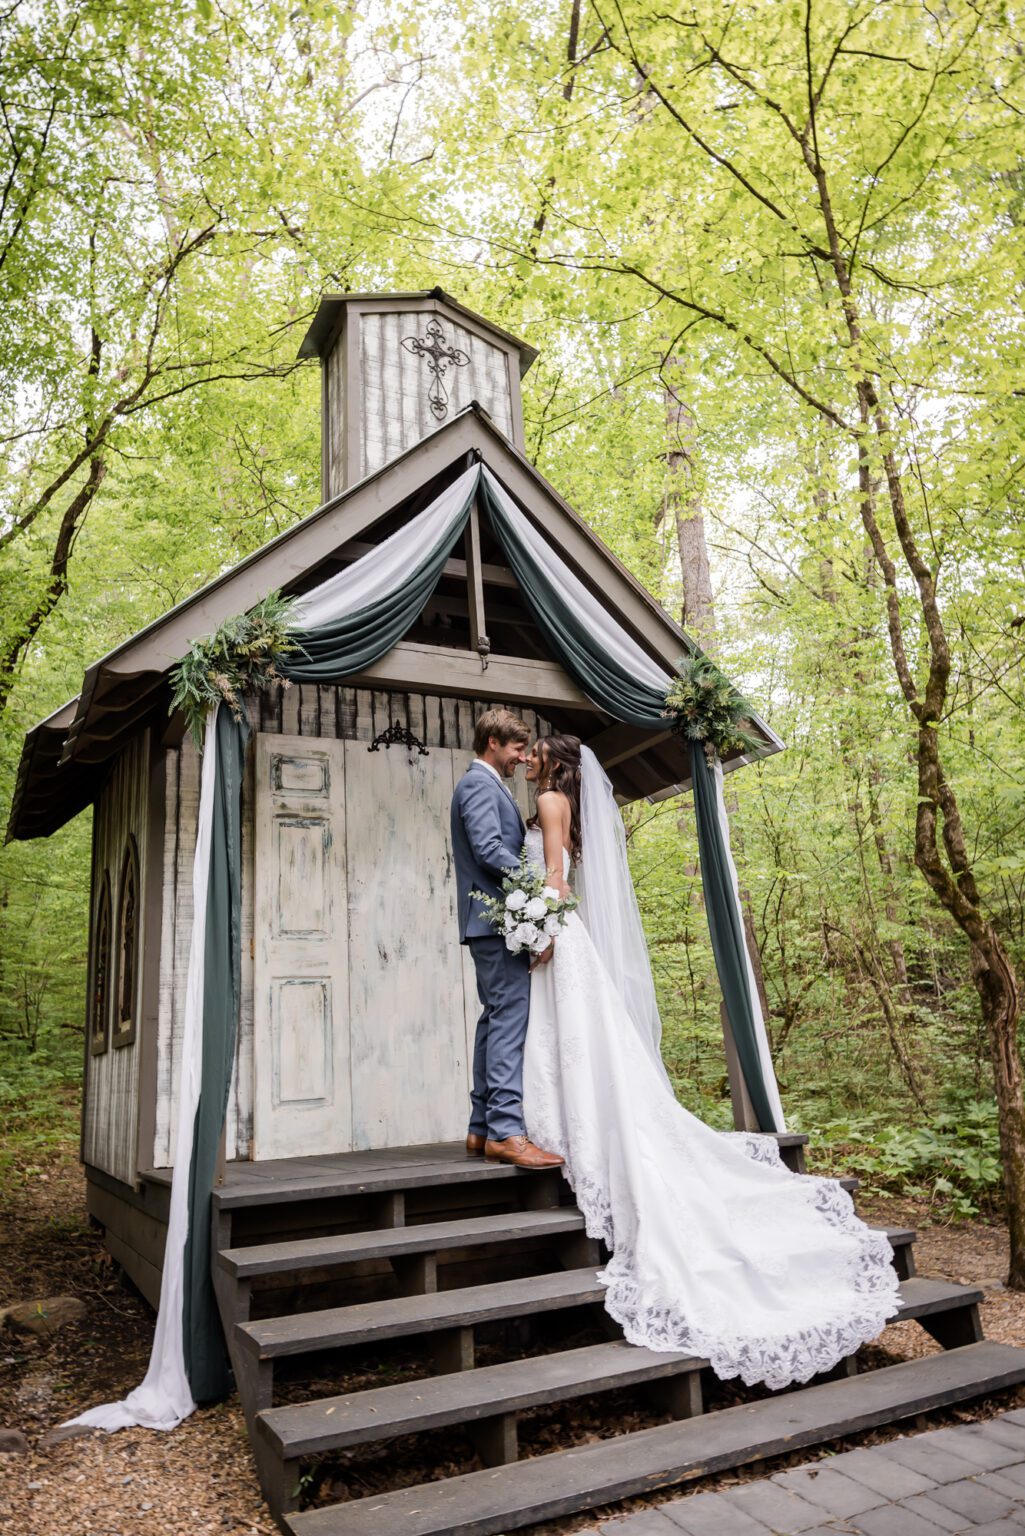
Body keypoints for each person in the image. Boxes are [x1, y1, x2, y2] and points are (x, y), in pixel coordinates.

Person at [520, 732, 902, 1392]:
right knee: (575, 1046)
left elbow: (554, 877)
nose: (525, 760)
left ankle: (569, 1129)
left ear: (551, 762)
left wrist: (540, 935)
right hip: (562, 934)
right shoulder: (562, 801)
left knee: (577, 1046)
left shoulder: (553, 799)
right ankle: (560, 1122)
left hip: (557, 935)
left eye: (531, 753)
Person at [449, 708, 564, 1171]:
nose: (521, 757)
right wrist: (541, 890)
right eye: (517, 748)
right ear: (493, 742)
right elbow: (489, 849)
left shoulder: (487, 784)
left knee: (494, 1020)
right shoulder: (478, 783)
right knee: (509, 1022)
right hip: (496, 925)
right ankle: (506, 1133)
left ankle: (481, 1128)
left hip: (492, 924)